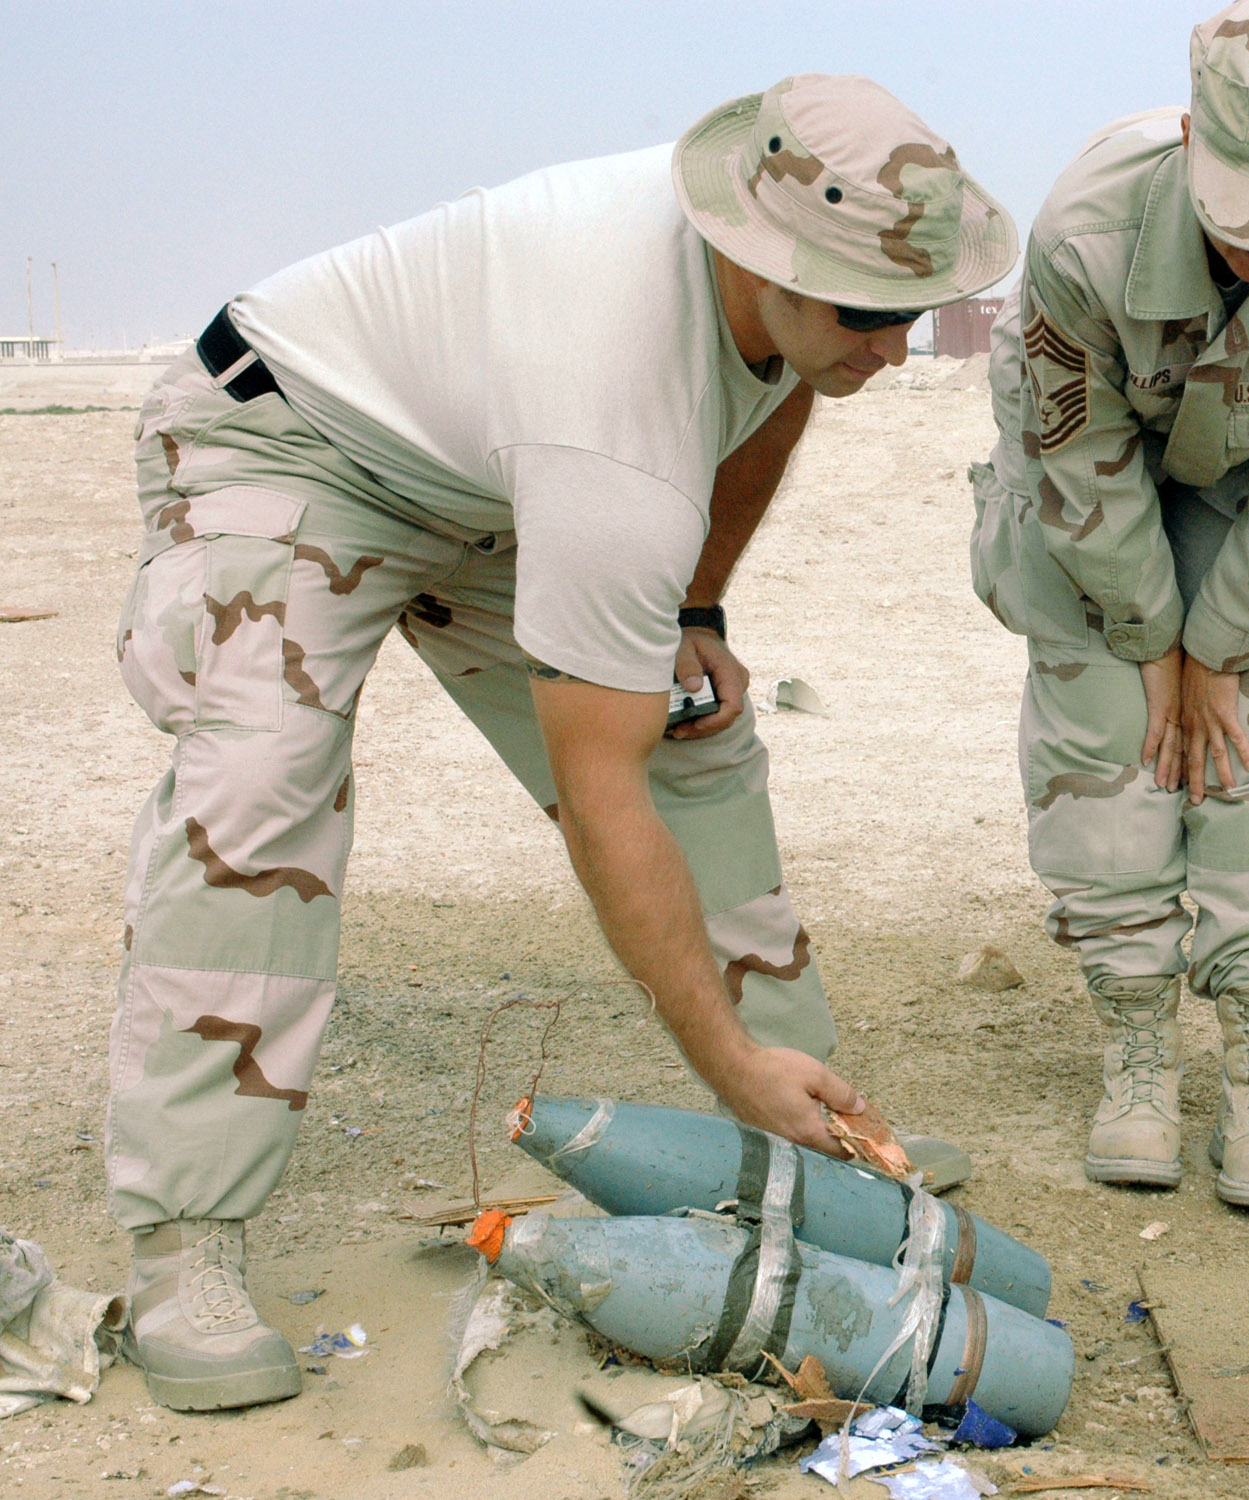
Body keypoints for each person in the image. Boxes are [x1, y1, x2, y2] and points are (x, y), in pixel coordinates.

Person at [109, 75, 1014, 1411]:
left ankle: (819, 1128)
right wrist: (717, 1064)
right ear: (758, 261)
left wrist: (696, 607)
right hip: (295, 446)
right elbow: (600, 798)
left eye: (911, 312)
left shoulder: (780, 284)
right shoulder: (614, 407)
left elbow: (775, 391)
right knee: (262, 787)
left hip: (495, 475)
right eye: (863, 316)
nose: (891, 347)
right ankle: (183, 1243)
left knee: (694, 733)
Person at [970, 0, 1249, 1215]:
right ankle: (1136, 1043)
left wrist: (1220, 648)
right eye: (1244, 213)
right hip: (1084, 475)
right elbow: (1080, 460)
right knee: (1109, 723)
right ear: (1189, 139)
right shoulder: (1084, 237)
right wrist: (1153, 640)